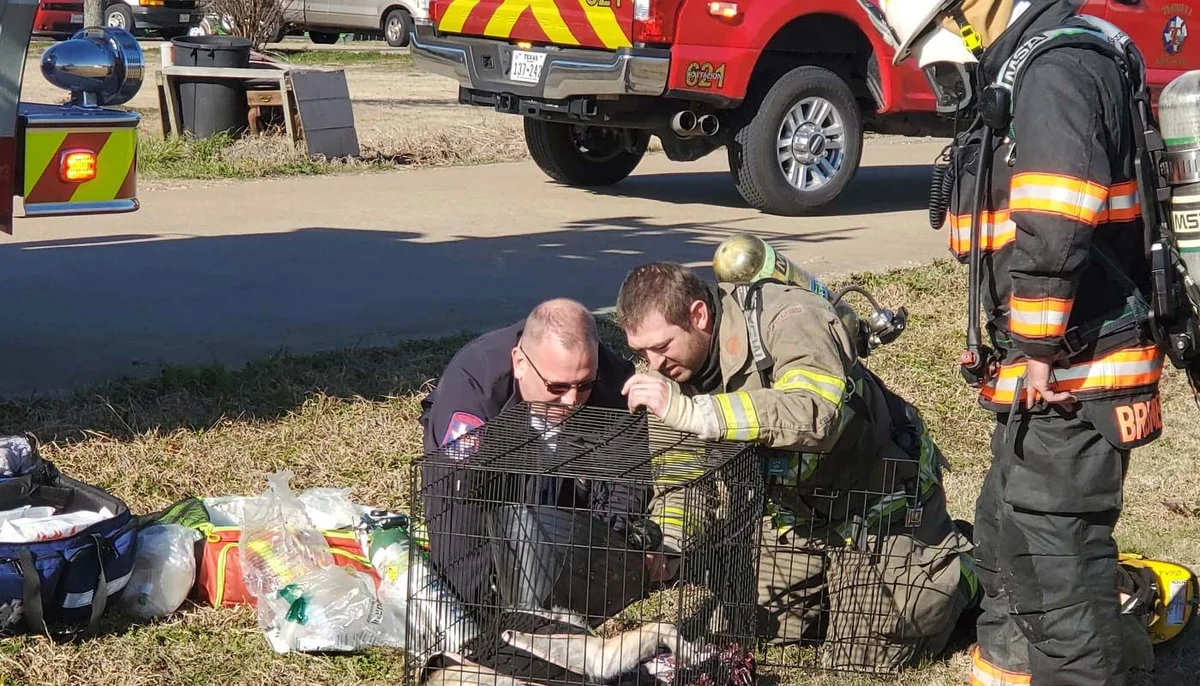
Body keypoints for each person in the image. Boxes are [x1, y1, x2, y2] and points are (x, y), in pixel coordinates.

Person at [860, 1, 1169, 683]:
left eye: (940, 32)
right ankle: (1007, 665)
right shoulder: (1024, 71)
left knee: (1060, 574)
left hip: (1075, 370)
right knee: (1006, 536)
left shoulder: (1058, 69)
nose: (943, 55)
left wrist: (1034, 345)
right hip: (1046, 367)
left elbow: (1056, 222)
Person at [613, 261, 980, 674]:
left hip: (879, 502)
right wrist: (671, 541)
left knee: (862, 659)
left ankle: (964, 569)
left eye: (662, 347)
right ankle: (838, 590)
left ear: (698, 315)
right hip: (796, 515)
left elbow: (814, 414)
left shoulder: (789, 318)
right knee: (740, 627)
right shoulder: (668, 382)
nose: (654, 364)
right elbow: (683, 481)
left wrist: (698, 413)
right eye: (641, 352)